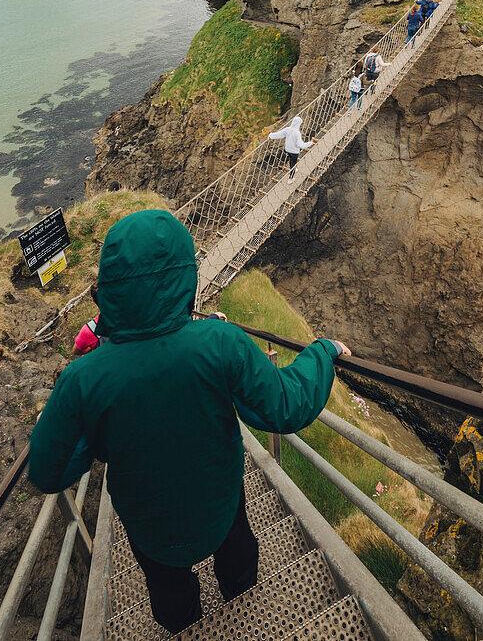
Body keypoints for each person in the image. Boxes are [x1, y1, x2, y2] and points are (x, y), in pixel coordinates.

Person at [29, 210, 351, 635]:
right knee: (238, 556)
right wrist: (322, 352)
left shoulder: (82, 379)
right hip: (219, 498)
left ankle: (183, 623)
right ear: (185, 276)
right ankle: (241, 597)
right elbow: (285, 406)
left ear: (109, 286)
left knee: (169, 591)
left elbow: (47, 472)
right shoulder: (220, 343)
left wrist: (94, 437)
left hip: (148, 521)